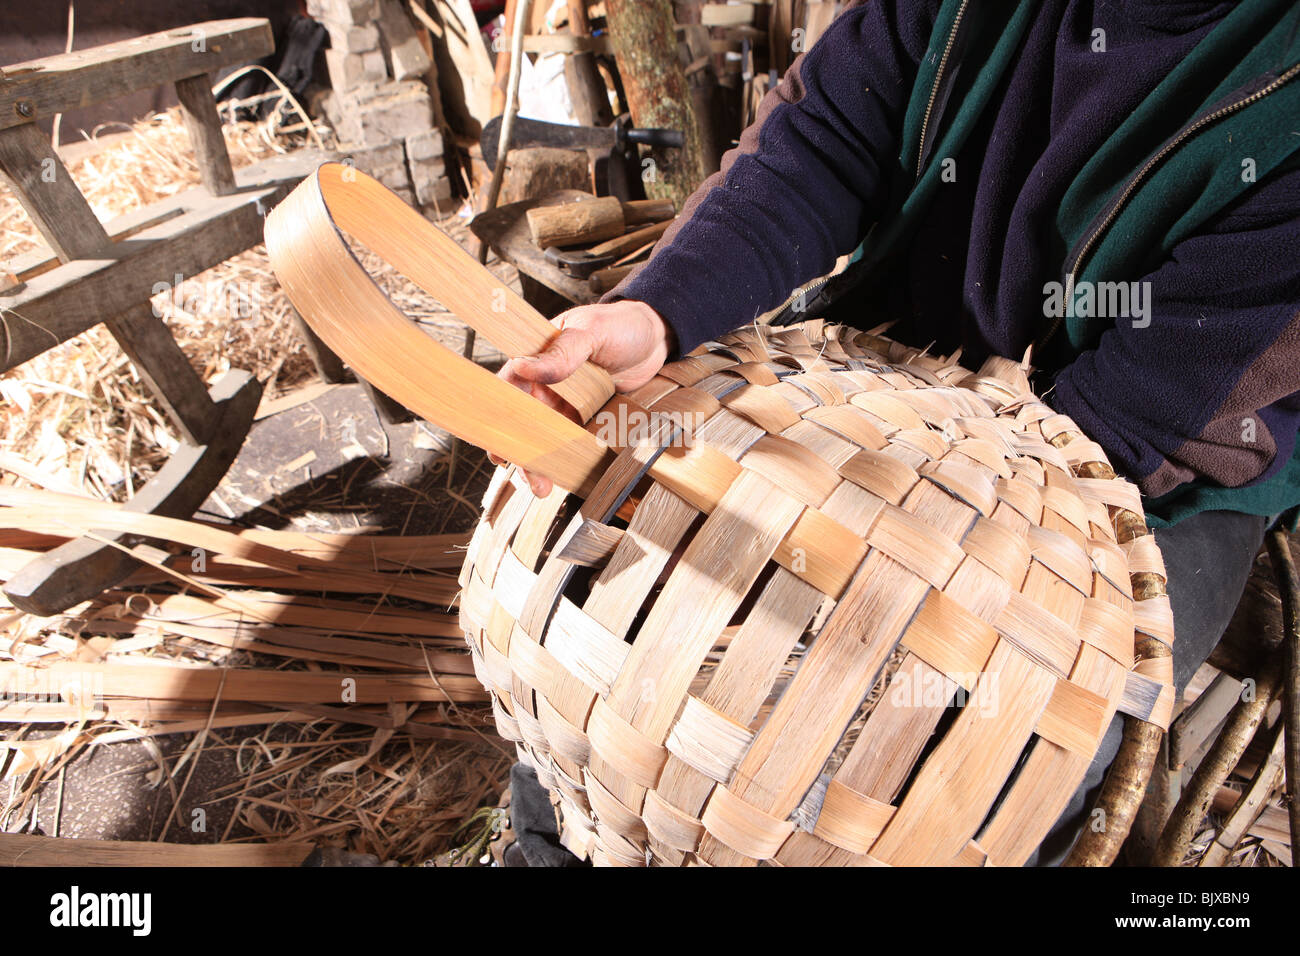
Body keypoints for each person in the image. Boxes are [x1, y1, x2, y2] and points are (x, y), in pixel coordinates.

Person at [495, 0, 1300, 865]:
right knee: (605, 581)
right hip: (900, 366)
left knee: (989, 736)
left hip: (1144, 471)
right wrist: (658, 313)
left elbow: (1140, 404)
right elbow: (822, 143)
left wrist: (882, 579)